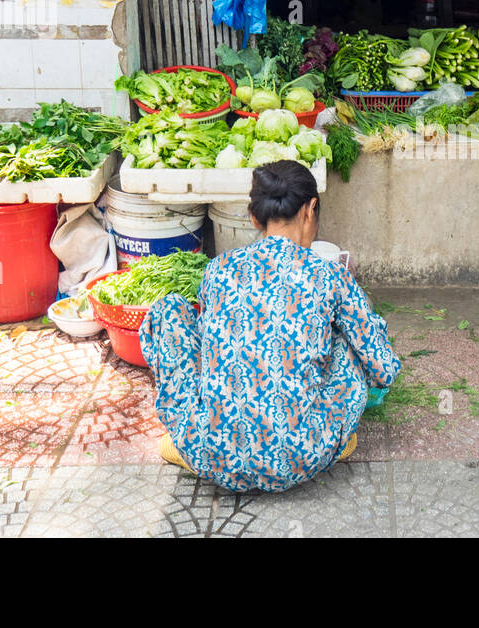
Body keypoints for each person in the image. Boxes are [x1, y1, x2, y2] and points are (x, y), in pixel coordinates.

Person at [139, 160, 400, 492]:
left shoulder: (218, 268)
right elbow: (383, 370)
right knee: (351, 338)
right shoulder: (330, 276)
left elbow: (209, 340)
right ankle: (337, 442)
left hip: (211, 454)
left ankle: (184, 441)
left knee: (169, 310)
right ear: (311, 209)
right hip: (302, 457)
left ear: (254, 218)